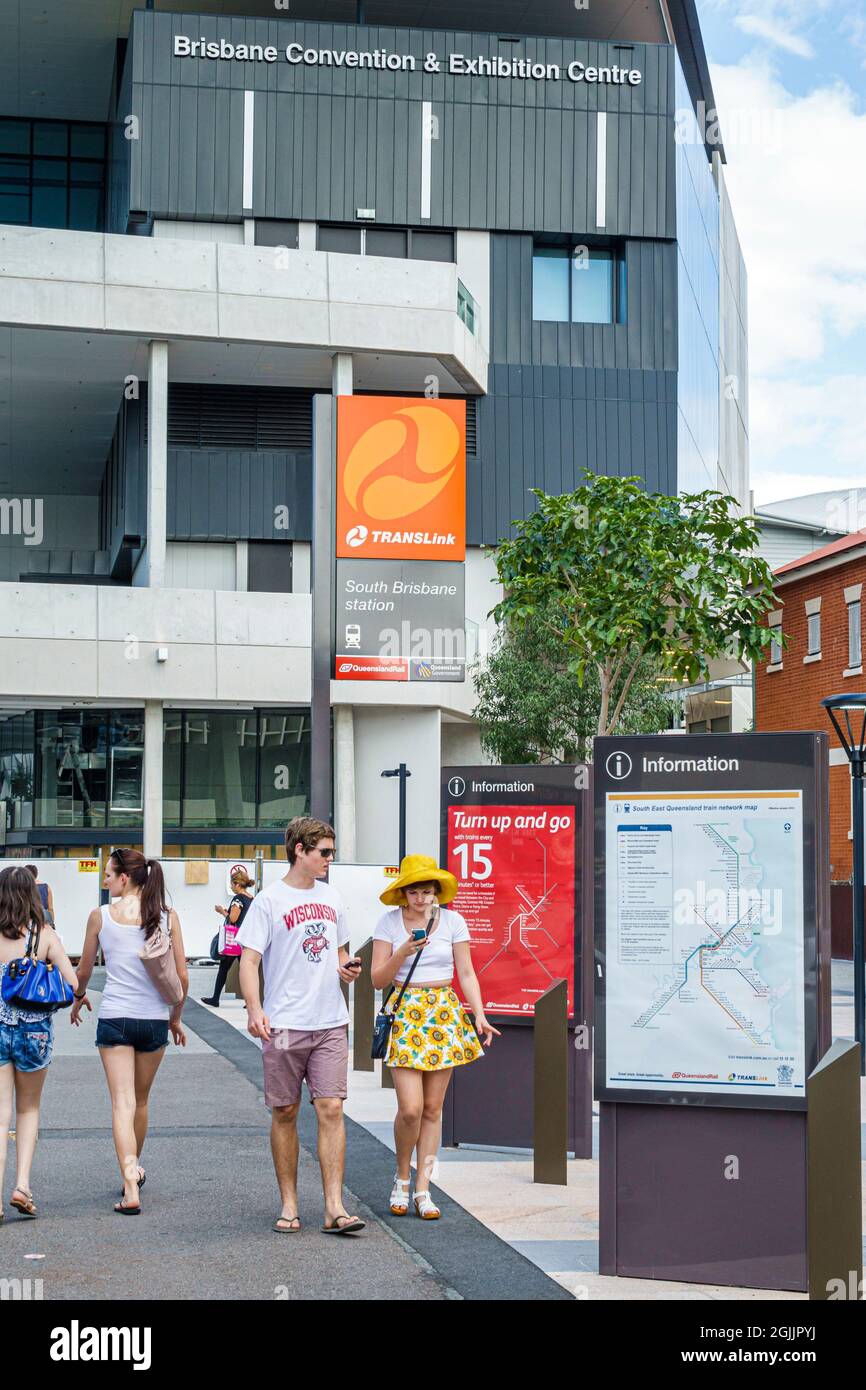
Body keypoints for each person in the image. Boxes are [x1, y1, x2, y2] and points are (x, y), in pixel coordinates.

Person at [237, 816, 365, 1236]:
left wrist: (346, 968)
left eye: (330, 852)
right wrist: (255, 1009)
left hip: (329, 1020)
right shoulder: (269, 902)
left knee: (331, 1108)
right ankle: (289, 1204)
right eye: (324, 852)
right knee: (286, 1112)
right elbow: (249, 961)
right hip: (285, 1023)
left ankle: (334, 1206)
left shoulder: (332, 898)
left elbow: (339, 950)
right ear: (300, 850)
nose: (330, 859)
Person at [371, 854, 499, 1220]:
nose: (423, 899)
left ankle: (423, 1188)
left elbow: (466, 972)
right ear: (403, 893)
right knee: (409, 1109)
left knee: (432, 1109)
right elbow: (378, 980)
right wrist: (402, 951)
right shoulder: (389, 923)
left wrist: (479, 1013)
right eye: (415, 892)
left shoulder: (454, 921)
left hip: (442, 1011)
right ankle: (401, 1177)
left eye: (428, 892)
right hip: (406, 1011)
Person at [71, 849, 188, 1215]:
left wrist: (77, 999)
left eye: (108, 875)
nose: (105, 881)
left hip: (116, 1017)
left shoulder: (100, 917)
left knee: (121, 1103)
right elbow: (181, 978)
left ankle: (129, 1183)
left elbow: (85, 970)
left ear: (125, 878)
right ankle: (134, 1169)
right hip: (154, 1021)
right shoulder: (167, 917)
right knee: (140, 1101)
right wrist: (176, 1019)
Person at [0, 865, 78, 1220]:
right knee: (28, 1110)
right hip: (35, 1033)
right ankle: (22, 1186)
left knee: (0, 1117)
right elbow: (73, 982)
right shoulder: (44, 935)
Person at [202, 868, 255, 1007]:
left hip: (235, 939)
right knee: (246, 970)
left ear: (237, 884)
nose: (231, 887)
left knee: (224, 968)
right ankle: (251, 1001)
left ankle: (215, 999)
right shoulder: (251, 898)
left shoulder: (238, 899)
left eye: (232, 884)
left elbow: (233, 919)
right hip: (246, 938)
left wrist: (222, 912)